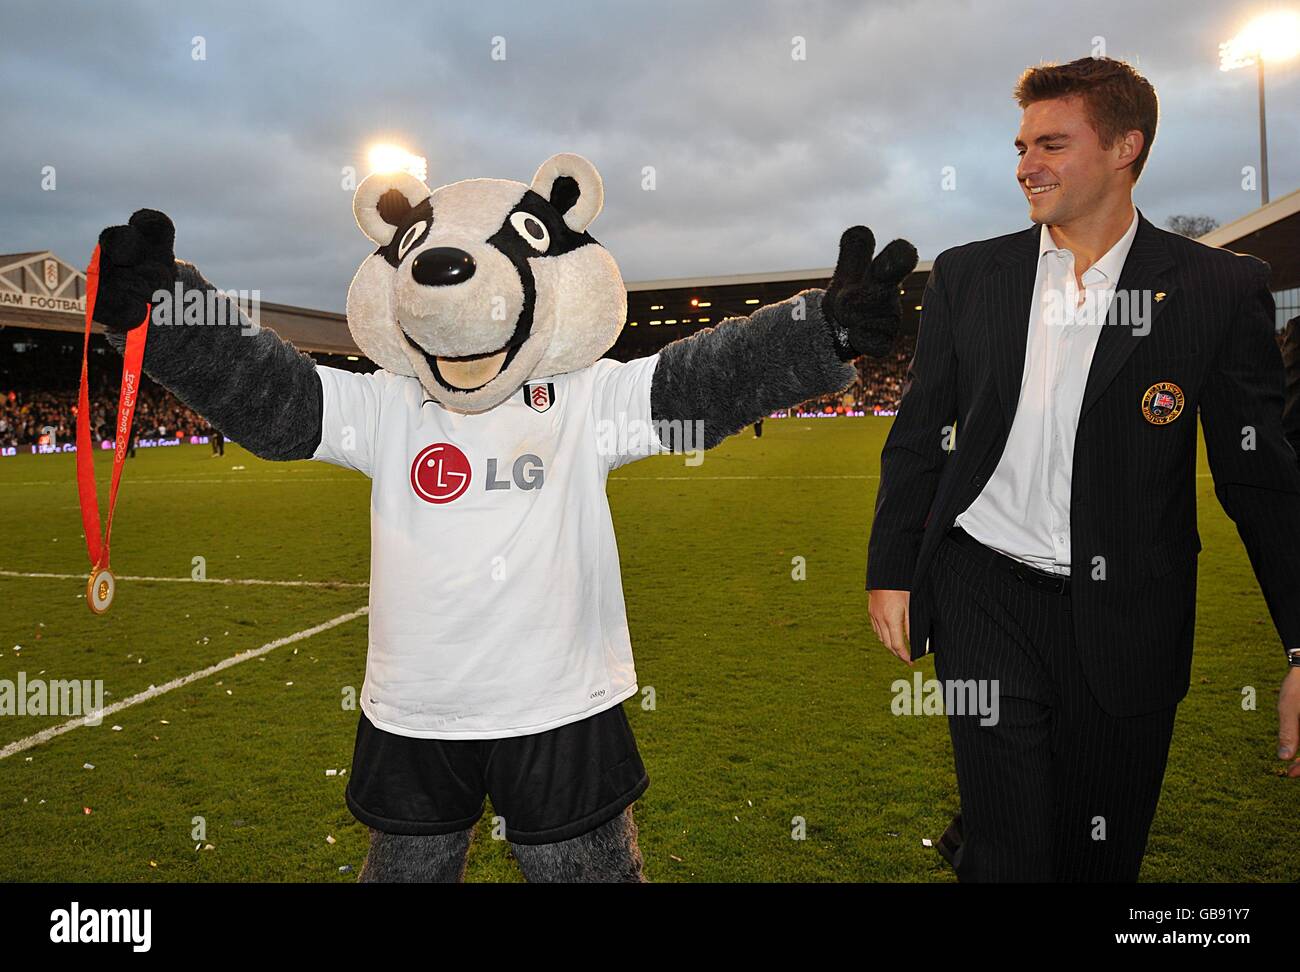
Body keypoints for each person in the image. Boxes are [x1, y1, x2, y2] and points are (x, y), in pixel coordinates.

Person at [866, 56, 1300, 882]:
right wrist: (892, 569)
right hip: (980, 594)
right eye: (1022, 144)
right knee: (1007, 851)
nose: (1027, 163)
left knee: (1099, 855)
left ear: (1126, 147)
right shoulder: (971, 274)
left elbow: (1262, 481)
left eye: (1053, 143)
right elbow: (919, 434)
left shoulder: (1215, 288)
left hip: (1130, 617)